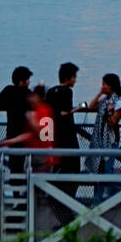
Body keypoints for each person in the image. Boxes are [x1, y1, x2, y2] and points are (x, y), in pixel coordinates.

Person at [82, 73, 121, 206]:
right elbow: (91, 106)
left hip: (110, 142)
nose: (102, 87)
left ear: (111, 86)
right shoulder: (105, 100)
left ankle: (116, 195)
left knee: (106, 171)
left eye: (104, 84)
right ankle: (100, 200)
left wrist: (109, 113)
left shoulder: (118, 102)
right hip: (99, 141)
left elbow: (113, 123)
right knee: (99, 171)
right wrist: (99, 94)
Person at [45, 62, 83, 200]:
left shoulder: (50, 92)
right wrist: (78, 109)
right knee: (73, 168)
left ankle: (55, 197)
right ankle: (68, 200)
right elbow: (64, 112)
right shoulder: (67, 91)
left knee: (58, 168)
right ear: (68, 78)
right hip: (67, 136)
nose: (75, 80)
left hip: (54, 136)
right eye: (74, 77)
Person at [0, 66, 33, 175]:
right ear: (22, 81)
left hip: (12, 133)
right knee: (28, 165)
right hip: (26, 135)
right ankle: (26, 189)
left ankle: (16, 189)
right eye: (27, 79)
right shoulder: (28, 94)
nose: (29, 82)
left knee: (15, 165)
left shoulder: (8, 91)